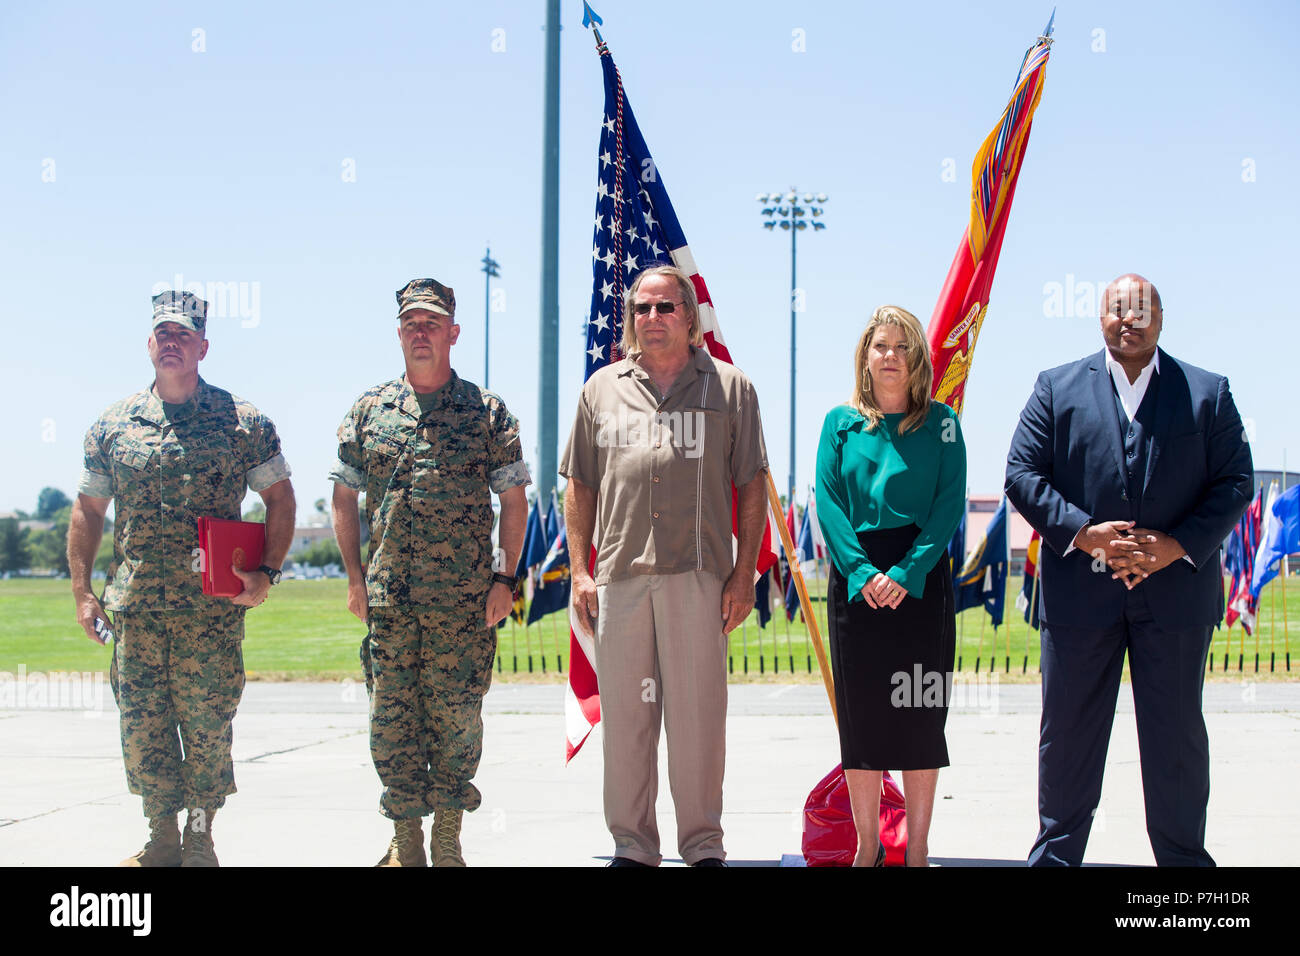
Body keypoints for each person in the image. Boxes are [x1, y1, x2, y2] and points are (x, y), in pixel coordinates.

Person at [1005, 273, 1254, 867]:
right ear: (1100, 317)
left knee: (1176, 743)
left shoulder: (1207, 393)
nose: (1129, 319)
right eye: (1118, 309)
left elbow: (1236, 481)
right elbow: (1021, 473)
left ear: (1160, 318)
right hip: (1078, 601)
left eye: (1141, 309)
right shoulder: (1055, 389)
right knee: (1066, 740)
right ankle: (1056, 859)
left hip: (1175, 601)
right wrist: (1083, 533)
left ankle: (1184, 872)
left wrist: (1177, 546)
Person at [67, 290, 295, 867]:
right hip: (137, 609)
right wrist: (82, 592)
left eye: (184, 335)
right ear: (149, 344)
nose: (172, 343)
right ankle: (160, 836)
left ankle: (199, 837)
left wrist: (267, 571)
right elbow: (89, 511)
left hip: (209, 612)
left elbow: (280, 498)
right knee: (143, 727)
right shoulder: (112, 426)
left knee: (207, 724)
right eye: (163, 334)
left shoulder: (243, 422)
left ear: (203, 347)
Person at [561, 264, 769, 867]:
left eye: (666, 307)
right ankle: (632, 846)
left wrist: (744, 573)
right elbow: (579, 485)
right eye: (643, 309)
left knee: (698, 722)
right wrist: (580, 570)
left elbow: (751, 484)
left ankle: (703, 846)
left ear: (691, 317)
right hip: (620, 579)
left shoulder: (730, 389)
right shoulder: (600, 390)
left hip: (699, 577)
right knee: (628, 721)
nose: (653, 318)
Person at [329, 278, 529, 867]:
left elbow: (514, 501)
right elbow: (344, 495)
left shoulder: (488, 413)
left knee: (458, 718)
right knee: (390, 720)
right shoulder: (369, 412)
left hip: (465, 603)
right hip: (389, 600)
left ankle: (446, 837)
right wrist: (354, 578)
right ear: (399, 333)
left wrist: (505, 580)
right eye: (412, 323)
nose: (421, 332)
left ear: (453, 334)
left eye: (432, 323)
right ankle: (405, 839)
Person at [814, 305, 966, 867]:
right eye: (881, 345)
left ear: (918, 359)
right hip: (855, 580)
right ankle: (867, 849)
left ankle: (918, 850)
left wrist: (905, 573)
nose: (891, 356)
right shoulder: (839, 423)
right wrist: (860, 571)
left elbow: (950, 506)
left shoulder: (944, 423)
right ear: (865, 356)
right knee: (863, 721)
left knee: (920, 716)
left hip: (921, 580)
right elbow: (826, 500)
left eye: (902, 347)